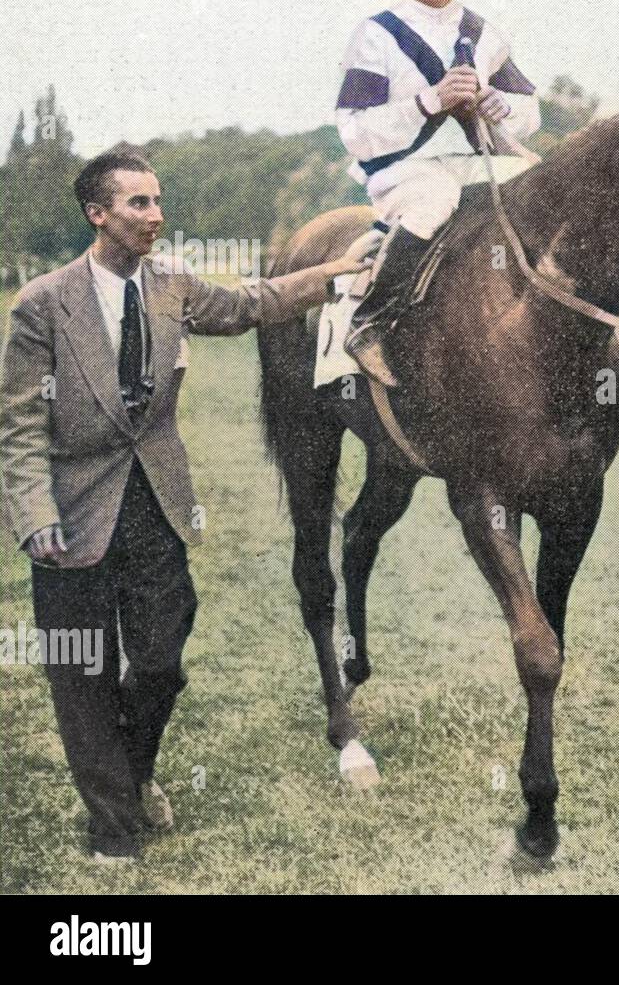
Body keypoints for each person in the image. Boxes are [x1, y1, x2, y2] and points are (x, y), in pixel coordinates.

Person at [0, 149, 366, 862]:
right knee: (82, 674)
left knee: (162, 661)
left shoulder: (173, 285)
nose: (155, 215)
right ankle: (112, 828)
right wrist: (33, 512)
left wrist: (329, 275)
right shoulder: (43, 302)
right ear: (96, 213)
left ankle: (132, 772)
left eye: (157, 200)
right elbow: (17, 427)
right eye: (137, 203)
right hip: (70, 510)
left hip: (157, 501)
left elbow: (250, 304)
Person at [336, 0, 541, 387]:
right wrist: (430, 101)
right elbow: (354, 128)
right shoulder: (376, 35)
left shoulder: (484, 33)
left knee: (542, 191)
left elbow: (531, 110)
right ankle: (370, 322)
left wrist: (497, 104)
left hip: (477, 162)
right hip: (404, 168)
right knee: (436, 200)